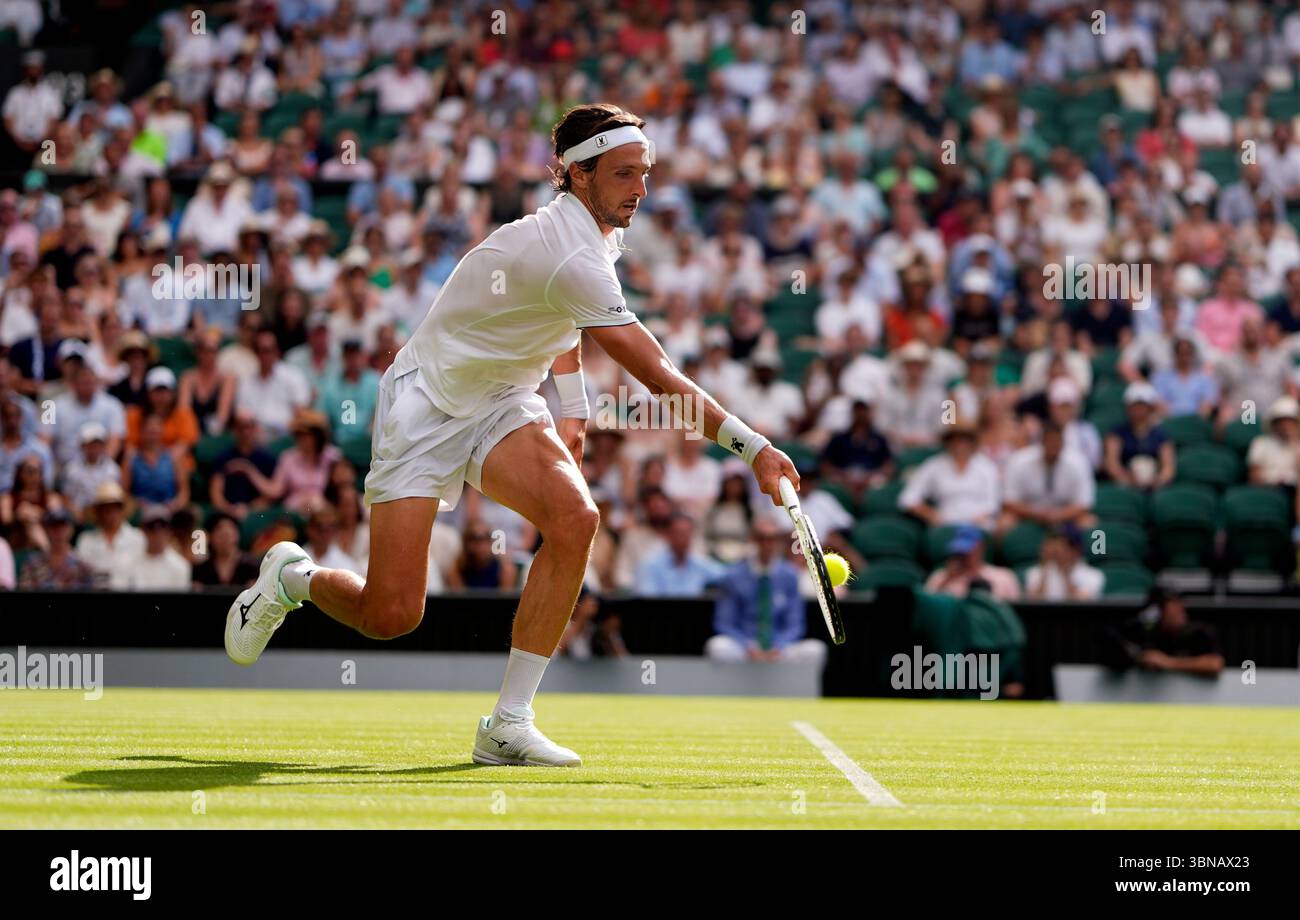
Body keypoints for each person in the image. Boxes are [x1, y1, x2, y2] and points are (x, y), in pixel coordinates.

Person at [223, 104, 799, 767]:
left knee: (576, 519)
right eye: (623, 174)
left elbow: (565, 326)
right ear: (578, 176)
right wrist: (755, 446)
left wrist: (575, 412)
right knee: (391, 615)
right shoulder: (569, 255)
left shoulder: (591, 239)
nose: (640, 188)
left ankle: (507, 724)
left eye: (644, 173)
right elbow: (655, 372)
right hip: (426, 405)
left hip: (501, 400)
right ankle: (292, 577)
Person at [705, 516, 827, 665]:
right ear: (753, 540)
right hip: (745, 648)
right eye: (761, 538)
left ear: (778, 542)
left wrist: (779, 646)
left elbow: (795, 624)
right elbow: (724, 622)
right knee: (717, 646)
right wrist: (747, 646)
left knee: (815, 649)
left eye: (772, 539)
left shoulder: (789, 576)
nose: (766, 544)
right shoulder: (733, 576)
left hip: (778, 648)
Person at [1102, 587, 1225, 677]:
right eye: (1169, 606)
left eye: (1178, 605)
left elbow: (1214, 664)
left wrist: (1167, 662)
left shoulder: (1199, 632)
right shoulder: (1143, 632)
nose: (1177, 610)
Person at [635, 511, 724, 596]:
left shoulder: (697, 562)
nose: (684, 538)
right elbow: (647, 600)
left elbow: (726, 576)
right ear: (667, 535)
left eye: (688, 533)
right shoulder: (649, 565)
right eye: (679, 533)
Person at [924, 524, 1021, 601]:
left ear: (980, 548)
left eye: (966, 551)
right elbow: (929, 611)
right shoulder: (940, 577)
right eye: (958, 552)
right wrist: (948, 580)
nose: (961, 555)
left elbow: (1015, 613)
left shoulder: (1003, 576)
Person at [1023, 524, 1105, 601]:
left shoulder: (1093, 575)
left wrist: (1065, 575)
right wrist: (1045, 571)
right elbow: (1032, 604)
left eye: (1061, 546)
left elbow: (1081, 604)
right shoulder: (1035, 572)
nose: (1056, 551)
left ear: (1076, 550)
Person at [127, 505, 192, 590]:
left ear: (170, 531)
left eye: (163, 526)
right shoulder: (126, 563)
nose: (158, 532)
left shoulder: (180, 566)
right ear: (143, 530)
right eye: (151, 526)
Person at [193, 511, 259, 588]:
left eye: (231, 528)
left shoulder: (252, 566)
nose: (225, 534)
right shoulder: (201, 570)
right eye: (219, 529)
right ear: (210, 536)